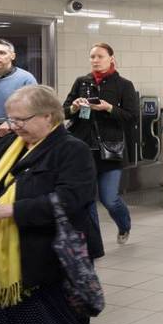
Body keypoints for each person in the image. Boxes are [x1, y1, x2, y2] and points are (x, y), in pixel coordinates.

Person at [0, 85, 103, 324]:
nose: (13, 126)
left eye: (20, 120)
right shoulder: (10, 145)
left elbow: (72, 200)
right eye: (9, 119)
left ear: (48, 116)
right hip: (9, 261)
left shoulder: (72, 149)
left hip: (51, 261)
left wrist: (13, 210)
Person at [64, 43, 139, 245]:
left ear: (111, 58)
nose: (95, 60)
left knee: (109, 199)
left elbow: (132, 117)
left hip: (110, 151)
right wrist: (74, 106)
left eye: (99, 56)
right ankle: (93, 241)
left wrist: (109, 108)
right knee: (87, 200)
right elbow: (63, 111)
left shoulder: (124, 85)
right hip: (83, 149)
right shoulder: (81, 82)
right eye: (92, 57)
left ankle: (124, 225)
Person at [0, 39, 36, 130]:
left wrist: (11, 123)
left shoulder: (26, 79)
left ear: (12, 56)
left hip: (14, 131)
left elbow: (34, 109)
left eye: (1, 53)